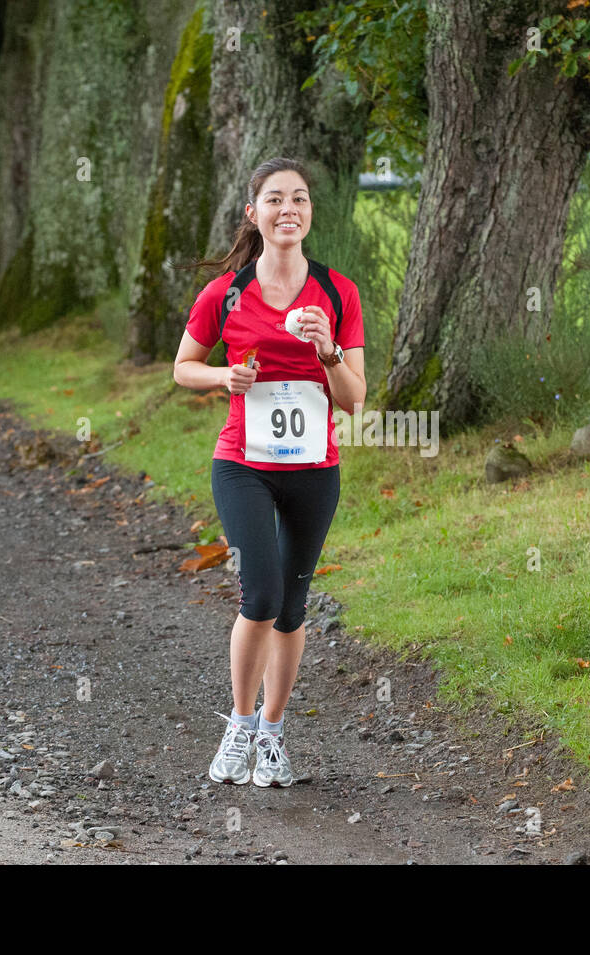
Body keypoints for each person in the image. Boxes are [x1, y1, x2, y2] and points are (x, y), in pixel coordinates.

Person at [172, 157, 366, 787]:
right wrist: (224, 375)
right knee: (260, 594)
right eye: (276, 200)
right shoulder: (226, 292)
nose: (290, 210)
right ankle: (239, 724)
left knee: (292, 605)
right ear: (253, 213)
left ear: (311, 213)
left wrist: (327, 348)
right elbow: (182, 368)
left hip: (314, 466)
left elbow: (354, 398)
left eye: (301, 200)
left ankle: (275, 735)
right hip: (243, 463)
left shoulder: (337, 292)